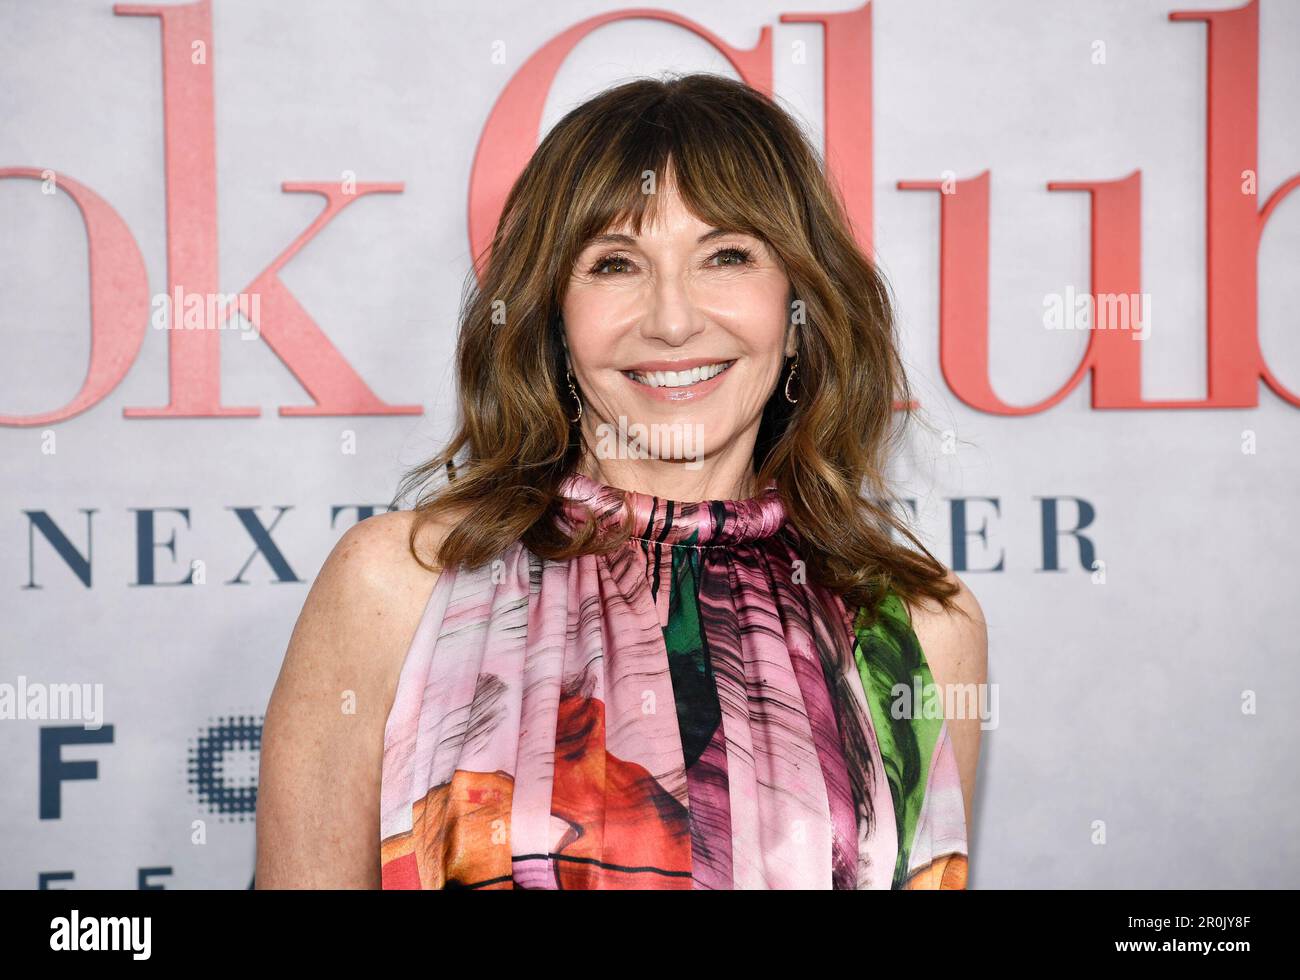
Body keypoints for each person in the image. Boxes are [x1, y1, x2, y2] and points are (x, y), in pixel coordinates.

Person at [255, 72, 987, 889]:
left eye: (728, 255)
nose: (672, 320)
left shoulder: (916, 632)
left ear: (798, 312)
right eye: (615, 264)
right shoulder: (397, 587)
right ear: (554, 321)